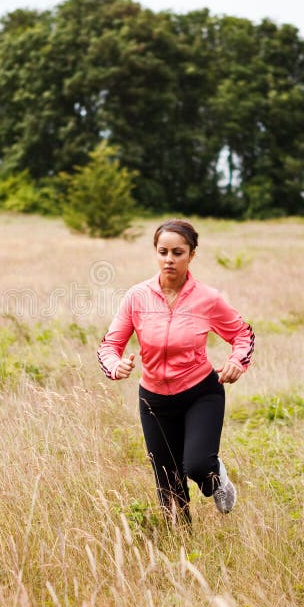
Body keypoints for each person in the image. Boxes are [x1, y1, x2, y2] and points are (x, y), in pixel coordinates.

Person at [97, 219, 254, 524]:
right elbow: (109, 345)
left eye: (178, 252)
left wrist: (237, 362)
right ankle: (183, 550)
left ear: (192, 255)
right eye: (163, 251)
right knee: (168, 485)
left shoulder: (207, 298)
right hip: (154, 401)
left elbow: (243, 335)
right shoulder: (137, 297)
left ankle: (214, 477)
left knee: (195, 465)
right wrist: (116, 365)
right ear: (155, 253)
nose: (169, 259)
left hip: (200, 393)